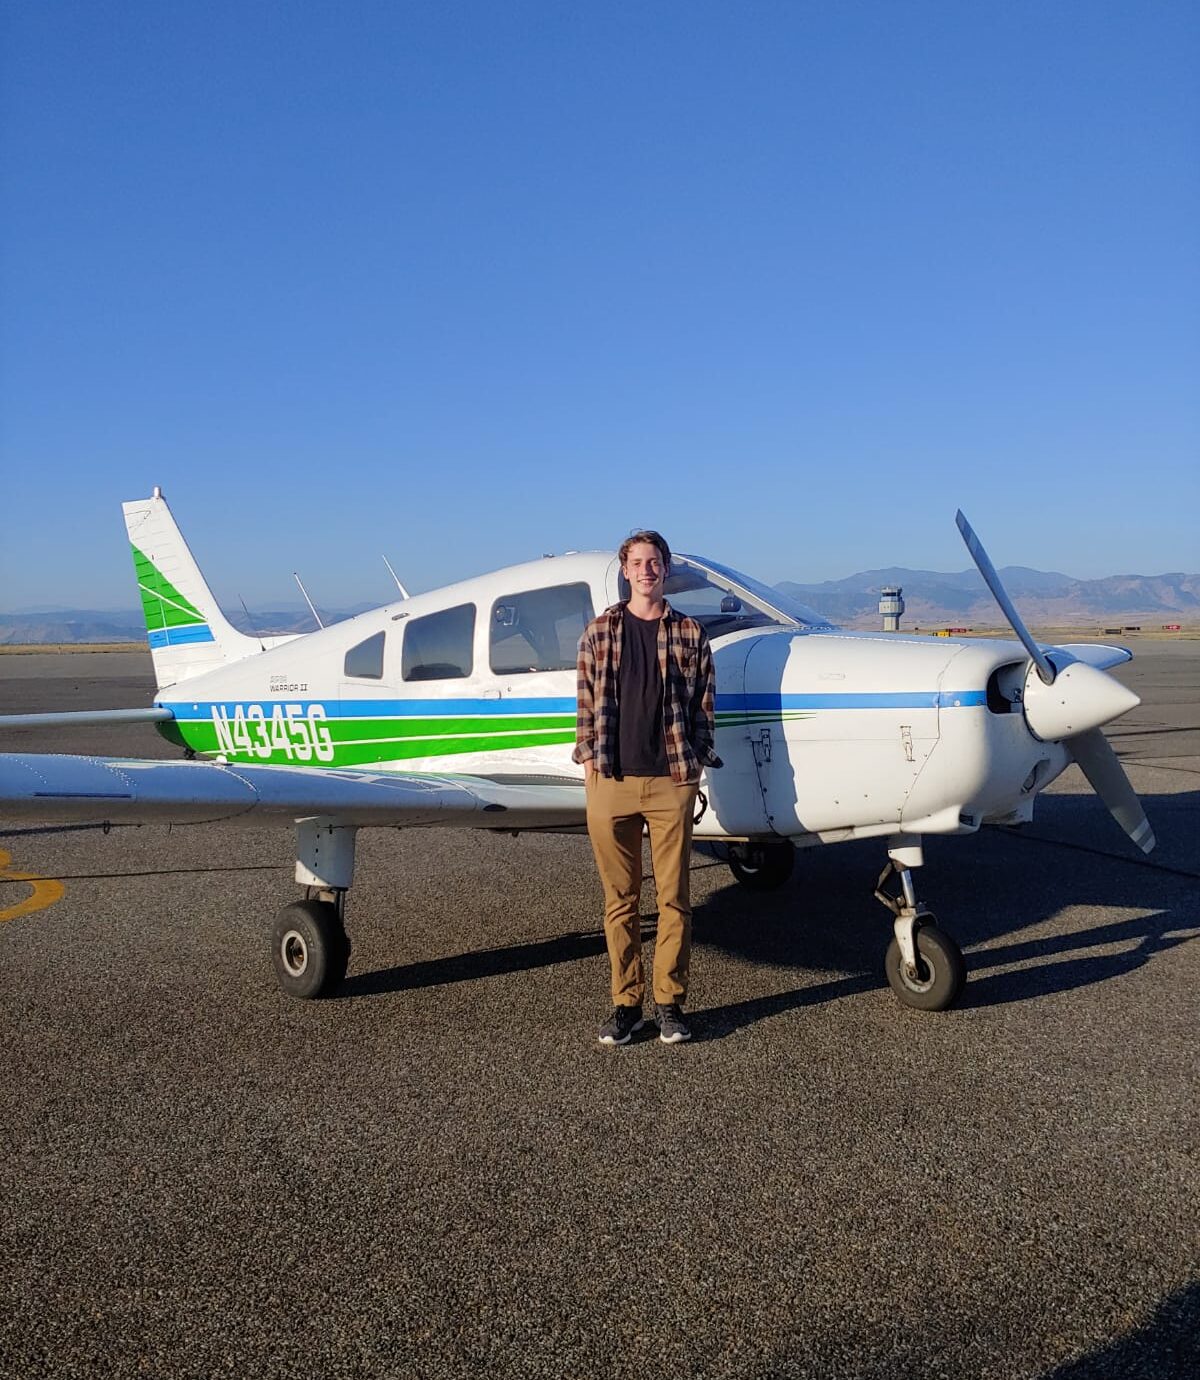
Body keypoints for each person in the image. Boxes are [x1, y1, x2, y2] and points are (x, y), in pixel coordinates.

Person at [574, 530, 721, 1046]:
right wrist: (589, 759)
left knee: (674, 898)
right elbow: (585, 701)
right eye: (637, 562)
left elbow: (704, 703)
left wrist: (695, 762)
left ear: (665, 568)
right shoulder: (599, 631)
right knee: (620, 900)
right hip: (610, 780)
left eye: (654, 561)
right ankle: (626, 1005)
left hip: (670, 780)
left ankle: (670, 1004)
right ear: (625, 570)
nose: (646, 570)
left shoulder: (689, 632)